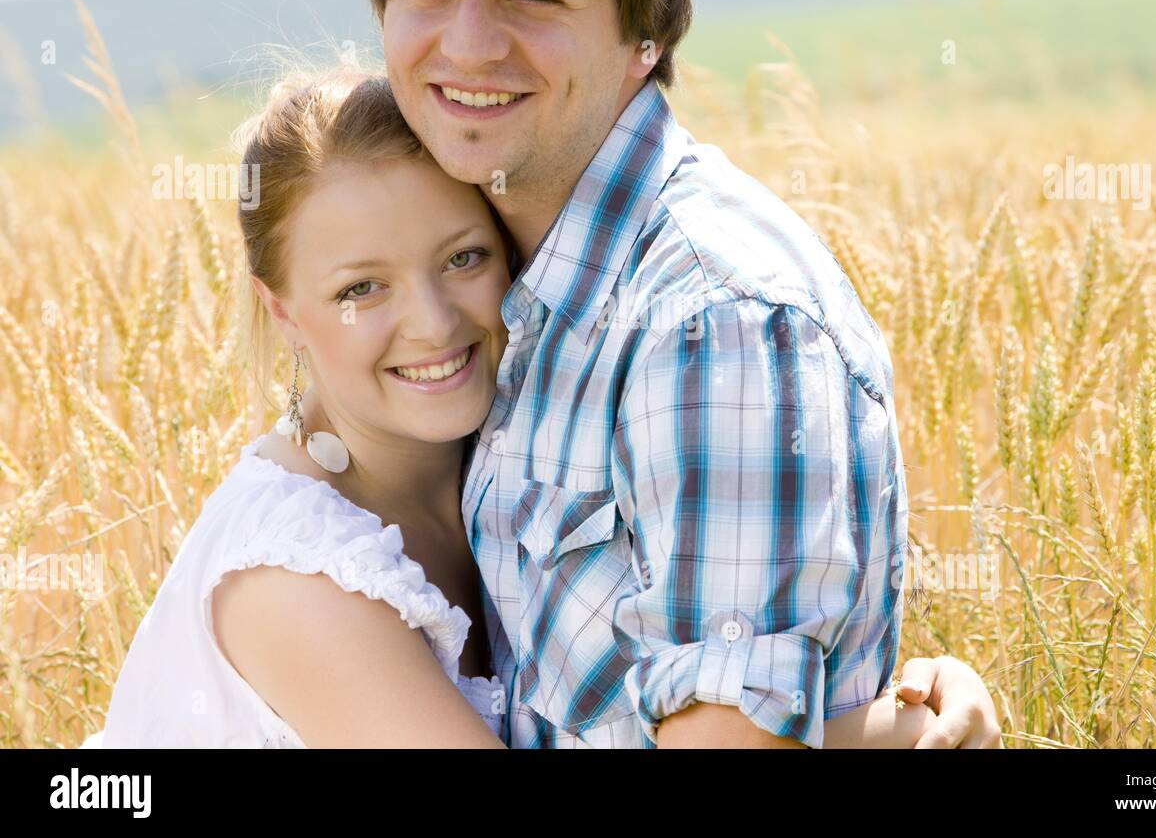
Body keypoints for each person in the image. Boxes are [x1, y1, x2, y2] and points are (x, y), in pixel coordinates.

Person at [80, 68, 951, 748]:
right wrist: (896, 735)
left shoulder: (513, 453)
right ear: (283, 311)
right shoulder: (297, 580)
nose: (430, 324)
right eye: (361, 287)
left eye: (461, 259)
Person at [364, 0, 1001, 747]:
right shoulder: (480, 287)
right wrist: (875, 736)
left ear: (645, 34)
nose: (469, 43)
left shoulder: (715, 323)